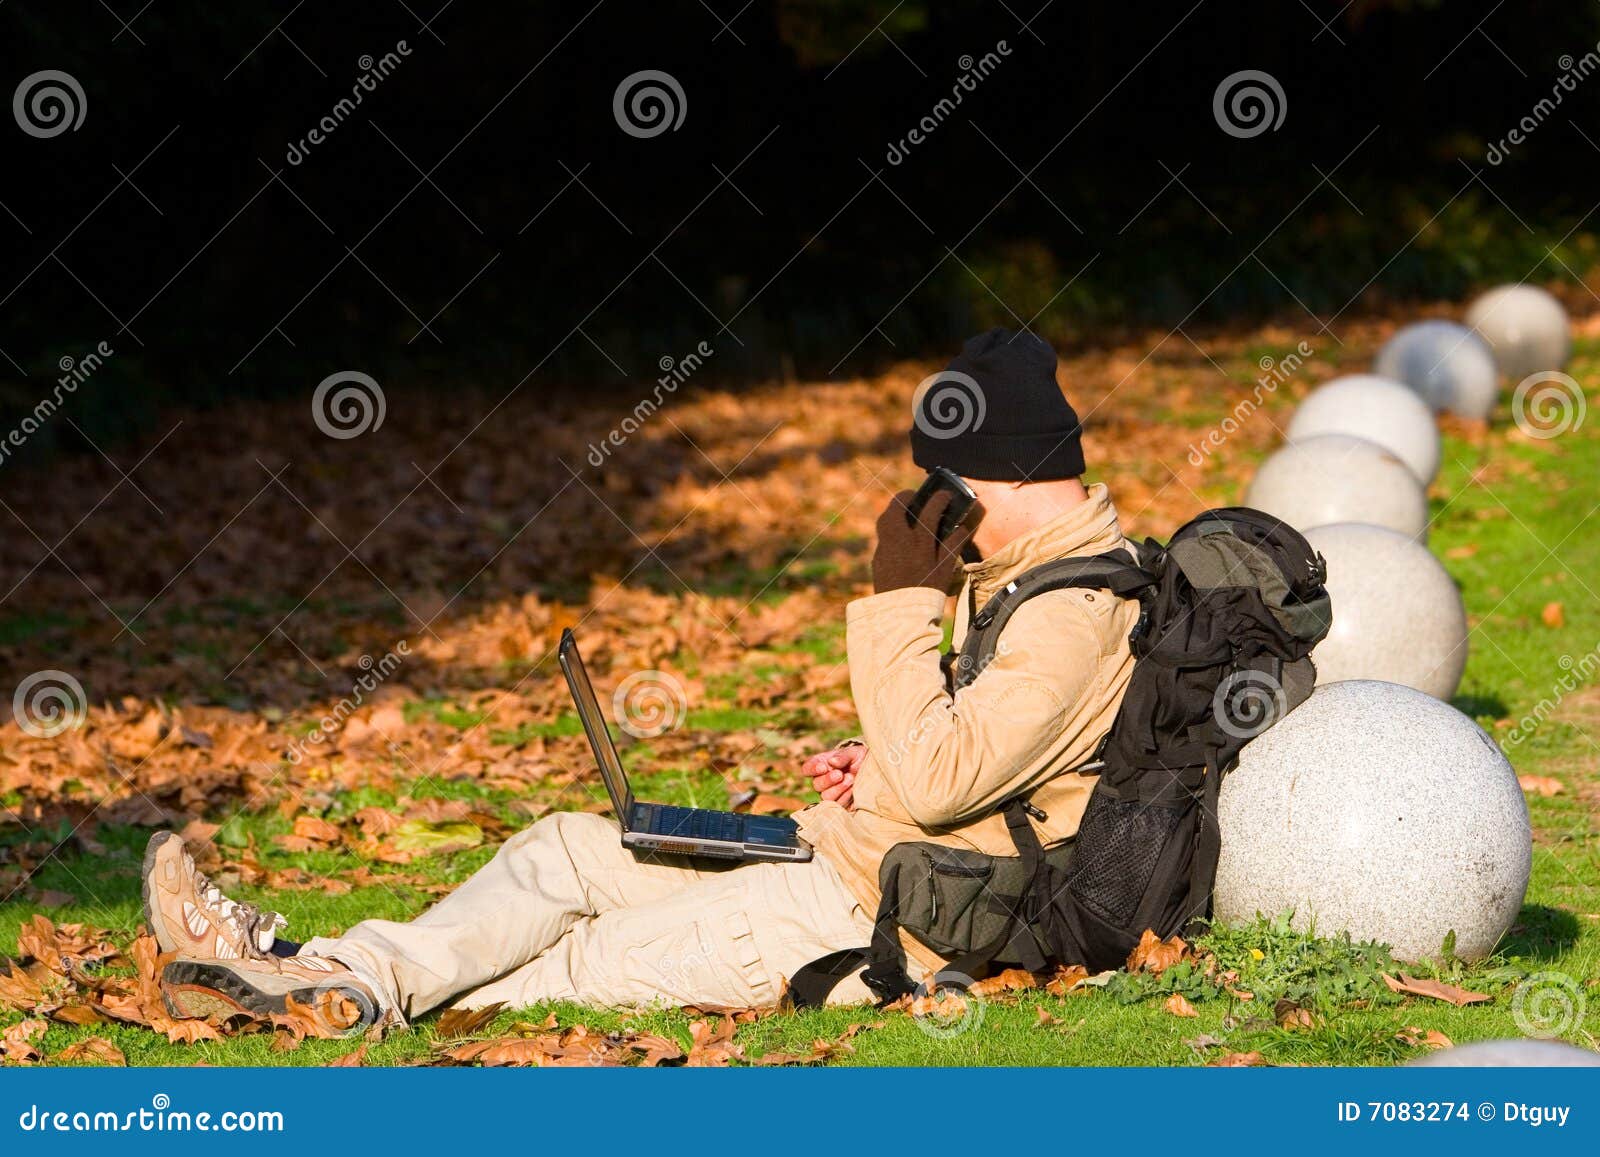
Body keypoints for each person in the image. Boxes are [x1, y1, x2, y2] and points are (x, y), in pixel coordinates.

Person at [145, 327, 1141, 1032]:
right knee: (564, 852)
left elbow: (940, 783)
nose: (932, 504)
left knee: (584, 957)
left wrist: (894, 605)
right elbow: (966, 758)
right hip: (839, 859)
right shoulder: (1024, 578)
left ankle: (310, 987)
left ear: (995, 475)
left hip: (871, 920)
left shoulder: (1067, 614)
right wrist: (873, 757)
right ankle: (329, 971)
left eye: (943, 482)